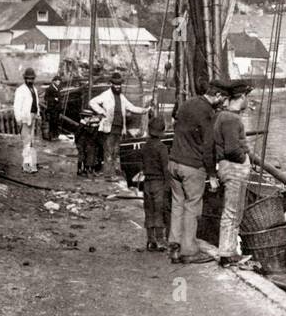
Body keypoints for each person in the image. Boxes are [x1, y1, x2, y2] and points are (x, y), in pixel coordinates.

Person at [167, 80, 225, 265]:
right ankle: (189, 251)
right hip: (192, 167)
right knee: (193, 207)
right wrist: (212, 175)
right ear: (217, 96)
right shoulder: (207, 112)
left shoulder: (187, 104)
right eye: (223, 98)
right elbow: (208, 147)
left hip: (174, 162)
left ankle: (174, 246)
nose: (223, 102)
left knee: (177, 204)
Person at [213, 80, 253, 267]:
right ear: (242, 97)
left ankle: (229, 251)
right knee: (232, 212)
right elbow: (231, 149)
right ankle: (227, 254)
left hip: (227, 167)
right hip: (234, 168)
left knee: (233, 211)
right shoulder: (231, 119)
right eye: (247, 96)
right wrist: (244, 158)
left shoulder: (223, 116)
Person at [88, 72, 146, 180]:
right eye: (116, 84)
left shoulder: (121, 97)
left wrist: (144, 110)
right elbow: (92, 102)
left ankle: (114, 172)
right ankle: (108, 175)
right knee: (108, 151)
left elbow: (131, 107)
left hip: (119, 128)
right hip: (109, 128)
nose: (118, 86)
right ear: (111, 84)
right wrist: (102, 112)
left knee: (116, 151)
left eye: (119, 84)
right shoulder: (106, 95)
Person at [140, 115, 172, 252]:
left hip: (147, 182)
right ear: (163, 132)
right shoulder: (162, 148)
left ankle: (150, 240)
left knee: (149, 211)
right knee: (160, 211)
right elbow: (166, 168)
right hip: (159, 183)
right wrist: (168, 185)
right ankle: (160, 240)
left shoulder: (145, 146)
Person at [13, 67, 42, 173]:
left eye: (32, 79)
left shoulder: (34, 89)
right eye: (28, 78)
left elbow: (36, 103)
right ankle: (26, 164)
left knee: (31, 141)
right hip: (25, 117)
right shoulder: (20, 90)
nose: (30, 80)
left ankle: (31, 162)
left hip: (33, 116)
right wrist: (18, 119)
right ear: (25, 78)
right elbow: (16, 106)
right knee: (26, 142)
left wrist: (38, 114)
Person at [43, 75, 62, 140]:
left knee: (56, 122)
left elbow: (59, 97)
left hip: (57, 108)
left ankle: (55, 135)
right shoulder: (49, 88)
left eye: (59, 81)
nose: (59, 82)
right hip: (52, 108)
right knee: (52, 122)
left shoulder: (58, 88)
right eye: (58, 81)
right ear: (54, 81)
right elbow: (46, 98)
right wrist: (54, 99)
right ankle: (51, 136)